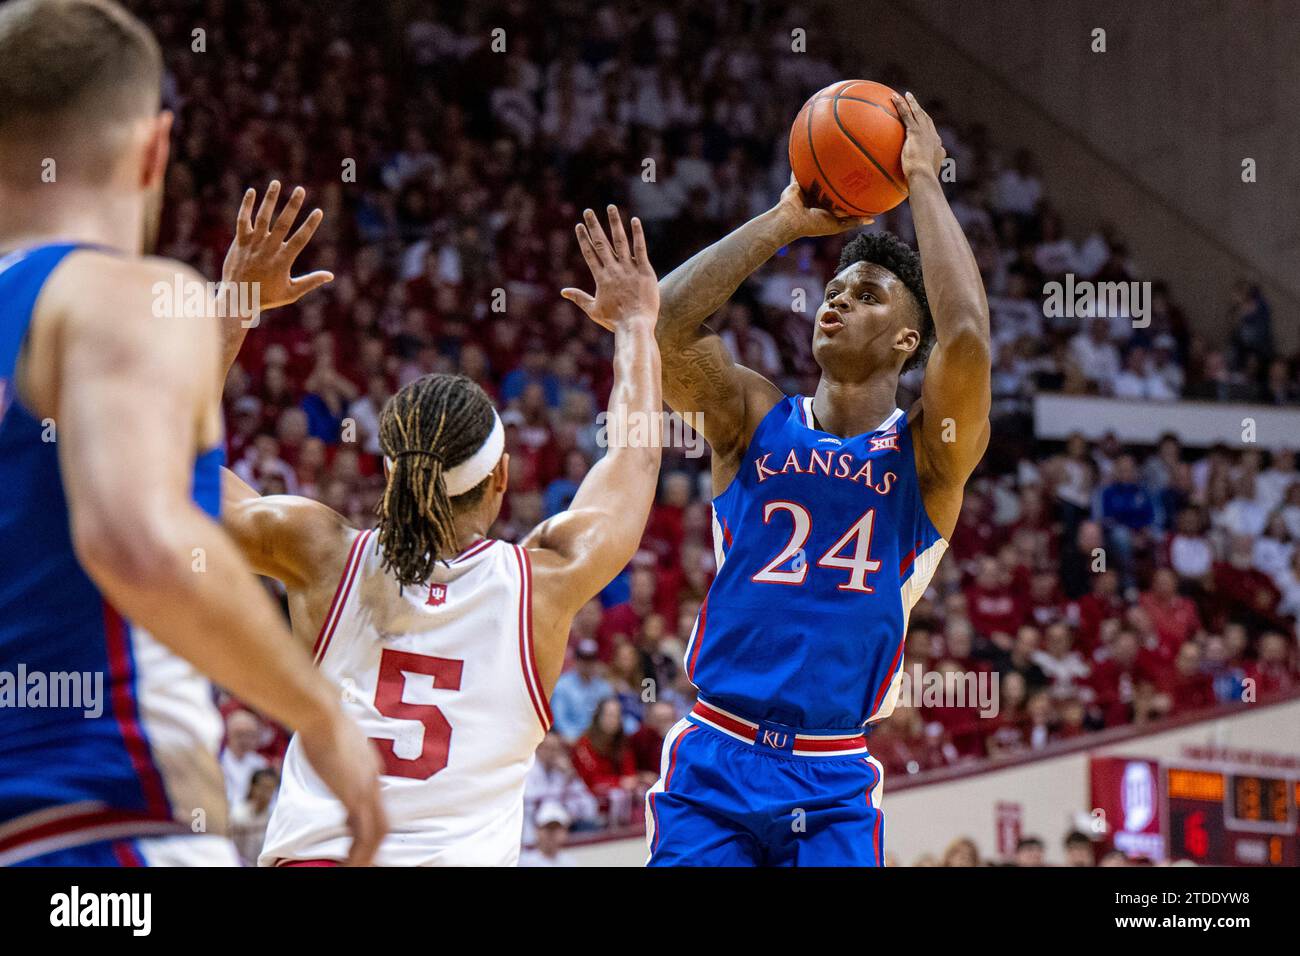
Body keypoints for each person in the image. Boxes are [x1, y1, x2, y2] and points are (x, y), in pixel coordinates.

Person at [0, 0, 383, 867]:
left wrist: (231, 312)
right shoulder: (117, 294)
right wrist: (320, 713)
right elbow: (136, 535)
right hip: (98, 825)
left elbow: (142, 468)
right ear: (155, 147)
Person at [219, 206, 664, 865]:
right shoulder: (546, 582)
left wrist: (236, 302)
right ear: (503, 477)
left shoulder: (320, 552)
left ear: (389, 473)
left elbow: (166, 462)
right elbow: (636, 457)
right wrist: (635, 325)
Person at [641, 93, 990, 866]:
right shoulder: (753, 415)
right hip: (714, 755)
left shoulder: (928, 459)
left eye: (867, 296)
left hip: (832, 773)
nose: (838, 301)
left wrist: (923, 179)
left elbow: (963, 335)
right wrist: (784, 222)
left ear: (907, 339)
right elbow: (661, 328)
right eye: (834, 291)